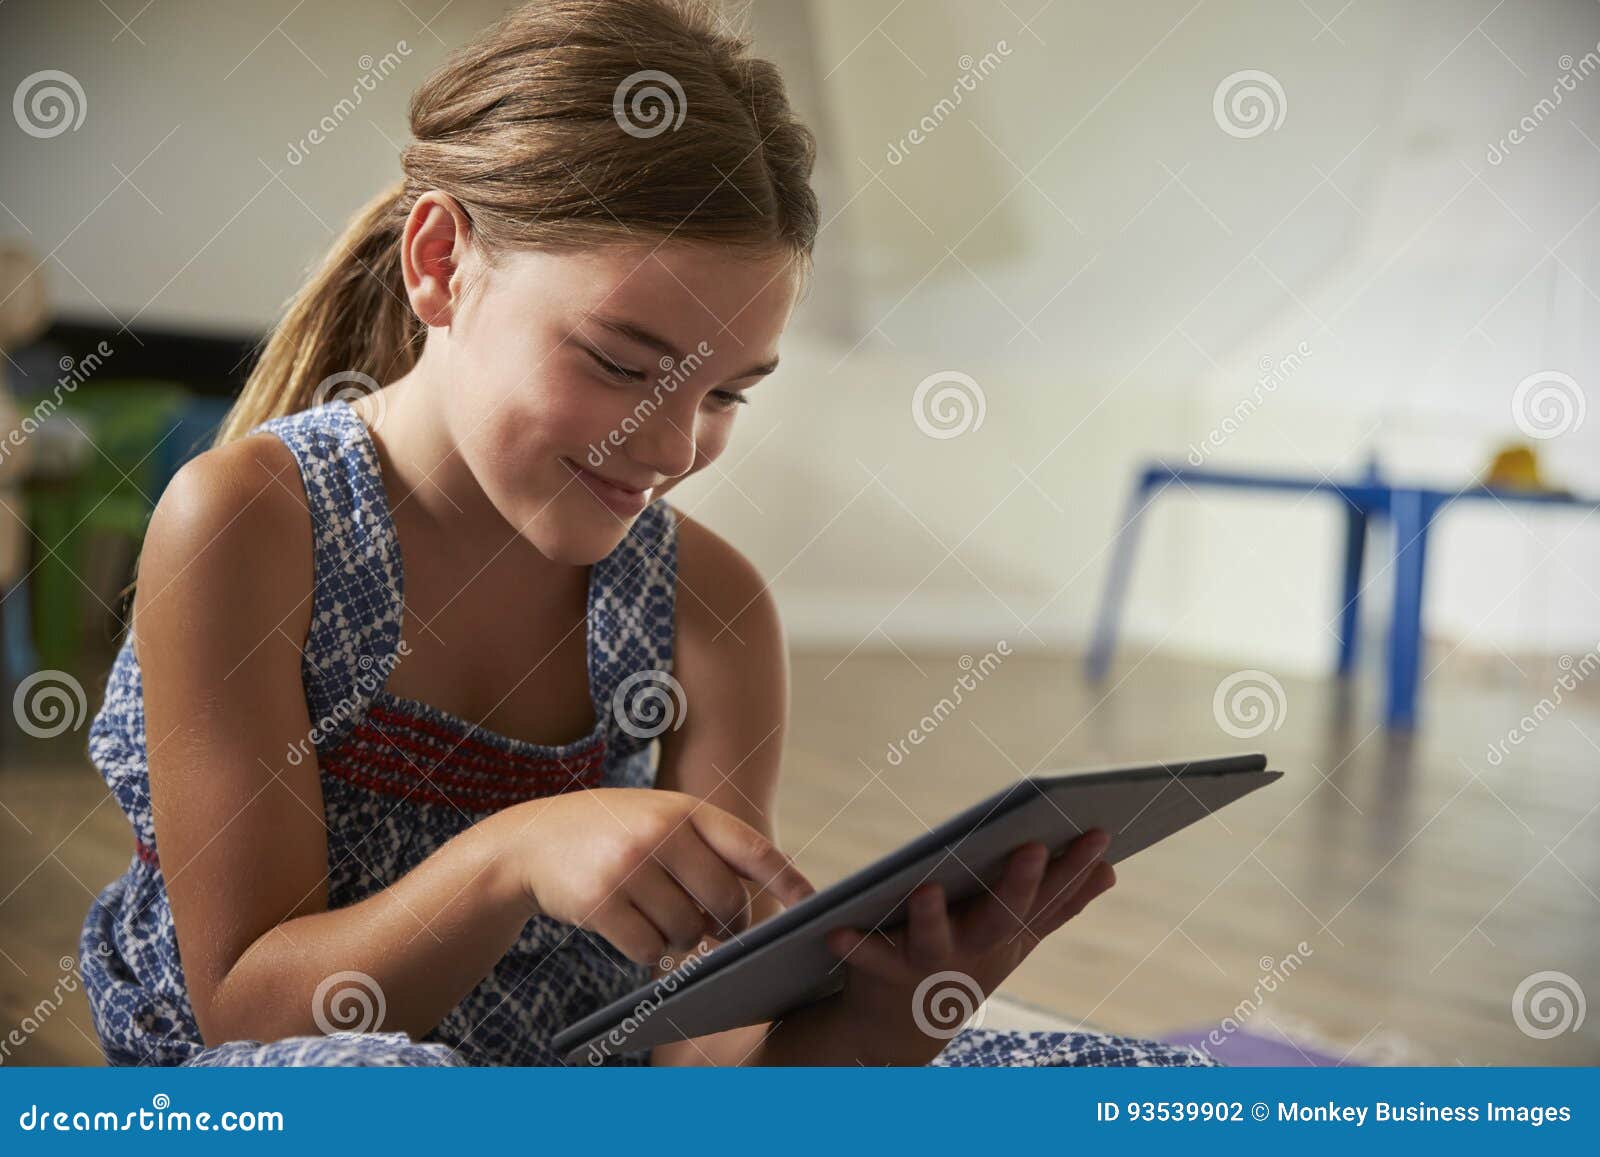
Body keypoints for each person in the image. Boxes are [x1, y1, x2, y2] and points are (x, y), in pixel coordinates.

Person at [80, 0, 1213, 1069]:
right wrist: (514, 855)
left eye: (727, 394)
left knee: (1106, 1076)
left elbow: (698, 1074)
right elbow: (248, 1009)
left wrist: (892, 1012)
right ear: (440, 263)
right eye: (621, 364)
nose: (671, 445)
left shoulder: (708, 611)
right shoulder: (249, 522)